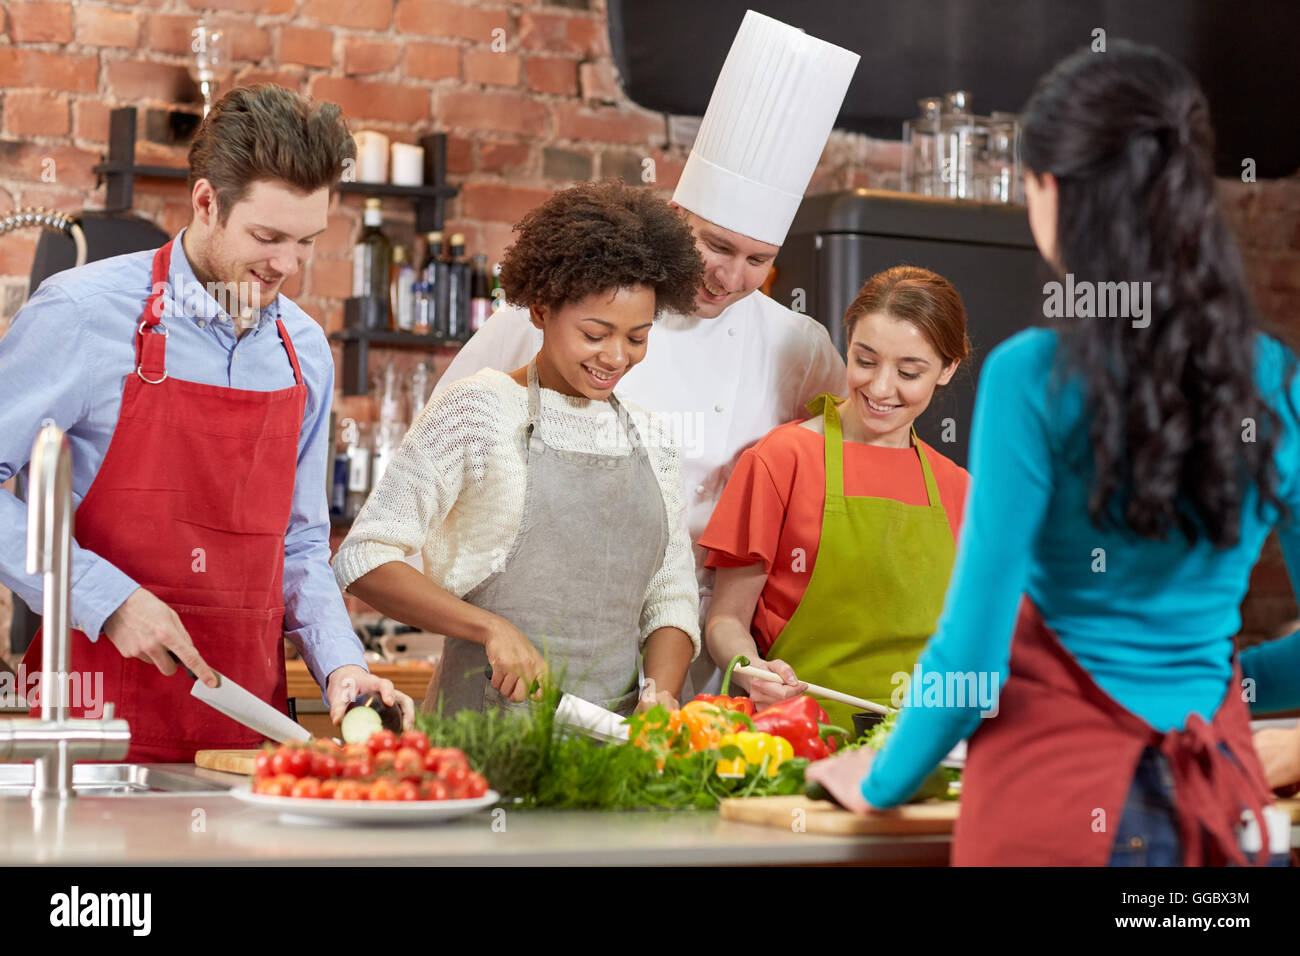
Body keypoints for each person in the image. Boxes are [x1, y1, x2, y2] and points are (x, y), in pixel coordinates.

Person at [808, 40, 1300, 866]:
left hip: (1060, 811)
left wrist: (883, 778)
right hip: (1216, 814)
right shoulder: (1272, 378)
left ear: (1052, 188)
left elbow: (974, 649)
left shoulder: (1033, 374)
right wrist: (1217, 690)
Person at [432, 11, 858, 697]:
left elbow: (837, 478)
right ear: (676, 214)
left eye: (759, 259)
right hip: (546, 628)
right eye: (717, 246)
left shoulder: (798, 346)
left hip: (709, 646)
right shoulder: (564, 302)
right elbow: (446, 432)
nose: (732, 277)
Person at [0, 84, 413, 762]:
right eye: (268, 237)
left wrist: (343, 666)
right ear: (205, 203)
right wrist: (105, 597)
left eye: (307, 241)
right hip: (90, 731)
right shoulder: (83, 313)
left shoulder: (303, 350)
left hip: (245, 736)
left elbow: (301, 543)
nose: (287, 265)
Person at [332, 181, 704, 716]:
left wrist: (660, 693)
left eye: (637, 338)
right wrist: (488, 627)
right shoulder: (477, 410)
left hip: (615, 751)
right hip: (484, 741)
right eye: (596, 333)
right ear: (541, 310)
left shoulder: (653, 439)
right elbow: (364, 558)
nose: (617, 357)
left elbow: (670, 598)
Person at [700, 267, 970, 729]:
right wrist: (750, 669)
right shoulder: (781, 460)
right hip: (798, 736)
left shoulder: (959, 488)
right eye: (865, 361)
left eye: (909, 372)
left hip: (918, 749)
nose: (881, 388)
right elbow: (725, 620)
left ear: (948, 369)